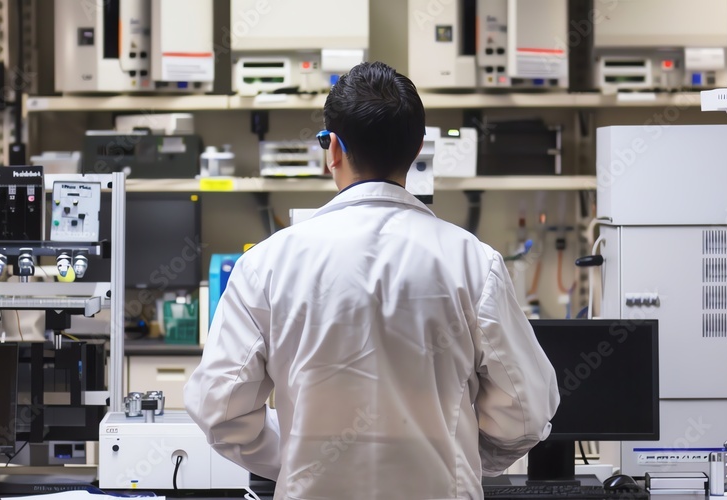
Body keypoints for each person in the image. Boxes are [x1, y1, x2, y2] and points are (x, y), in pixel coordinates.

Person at [185, 61, 560, 500]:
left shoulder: (266, 265)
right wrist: (456, 456)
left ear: (333, 149)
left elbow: (219, 410)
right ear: (418, 147)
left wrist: (301, 456)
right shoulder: (475, 263)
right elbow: (527, 410)